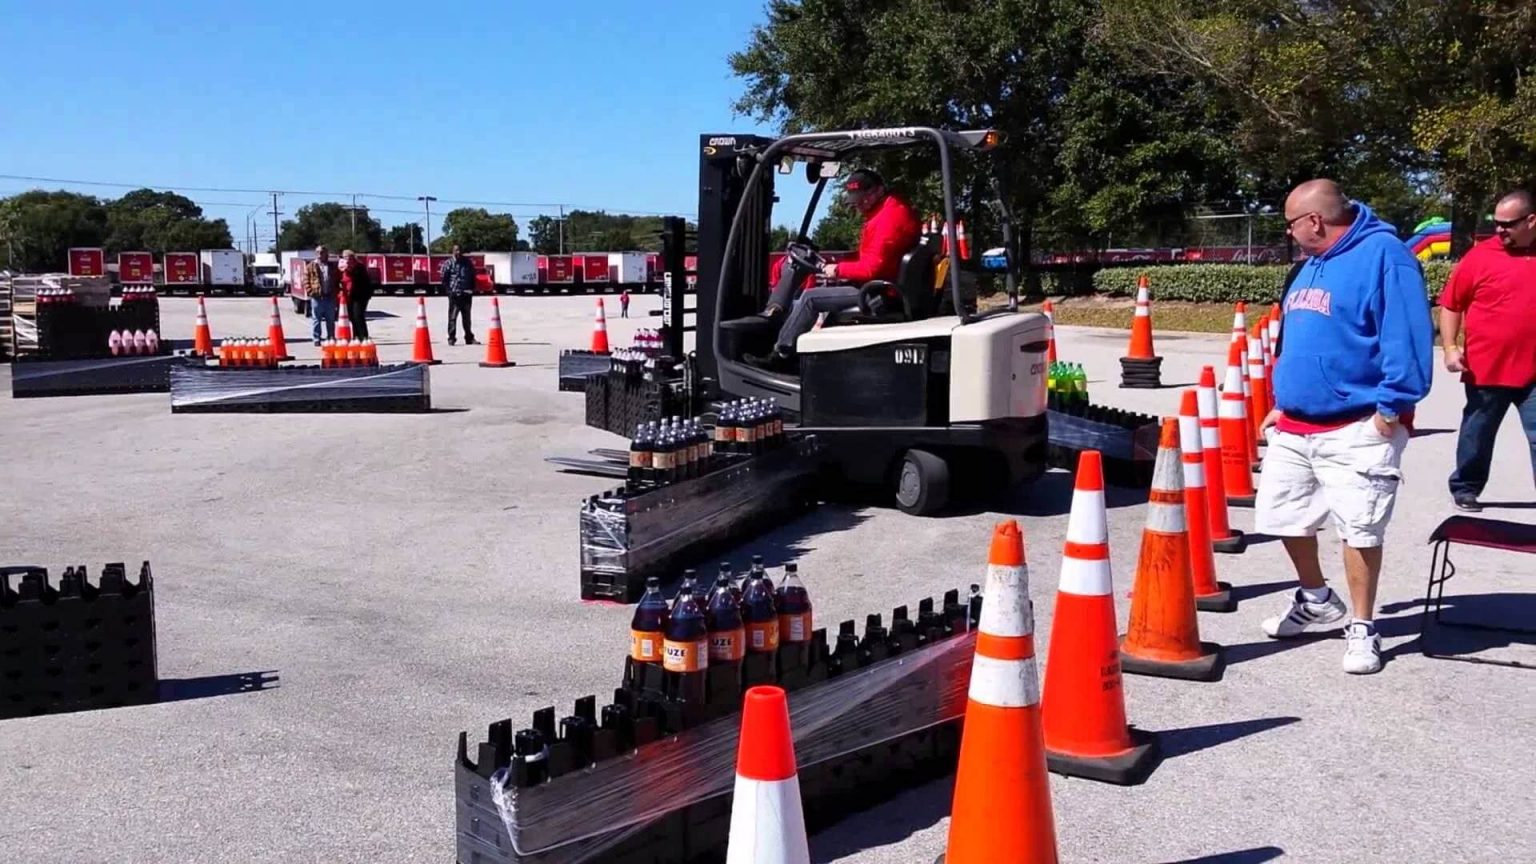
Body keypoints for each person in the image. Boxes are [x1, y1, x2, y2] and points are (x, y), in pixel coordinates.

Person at [1253, 178, 1434, 675]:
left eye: (1291, 224)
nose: (1289, 234)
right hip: (1294, 423)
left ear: (1313, 221)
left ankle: (1362, 625)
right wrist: (1280, 401)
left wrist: (1391, 410)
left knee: (1359, 528)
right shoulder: (1309, 266)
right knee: (1283, 517)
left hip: (1358, 424)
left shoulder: (1385, 256)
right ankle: (1316, 598)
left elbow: (1408, 338)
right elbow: (1296, 338)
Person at [746, 169, 921, 368]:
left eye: (863, 198)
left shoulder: (888, 219)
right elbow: (874, 257)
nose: (858, 204)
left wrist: (837, 270)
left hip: (880, 292)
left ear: (879, 191)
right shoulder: (888, 211)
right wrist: (834, 264)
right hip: (882, 284)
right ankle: (815, 357)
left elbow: (872, 268)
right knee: (826, 296)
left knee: (810, 298)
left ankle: (781, 355)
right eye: (855, 199)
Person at [304, 245, 342, 345]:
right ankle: (317, 338)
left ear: (326, 254)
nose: (320, 255)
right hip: (317, 297)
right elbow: (306, 280)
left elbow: (337, 280)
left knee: (331, 319)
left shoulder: (332, 266)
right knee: (316, 319)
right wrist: (310, 292)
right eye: (318, 253)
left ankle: (331, 337)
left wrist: (336, 292)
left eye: (322, 253)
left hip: (330, 297)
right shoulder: (311, 266)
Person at [441, 244, 477, 345]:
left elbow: (473, 276)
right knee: (452, 318)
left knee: (467, 318)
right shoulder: (448, 263)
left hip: (466, 294)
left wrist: (472, 289)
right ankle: (451, 338)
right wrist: (449, 291)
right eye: (456, 250)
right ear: (453, 251)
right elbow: (444, 279)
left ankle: (469, 338)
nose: (458, 252)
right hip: (454, 295)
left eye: (460, 250)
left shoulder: (467, 263)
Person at [339, 250, 374, 341]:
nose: (347, 260)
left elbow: (358, 279)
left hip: (360, 295)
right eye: (345, 257)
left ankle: (364, 337)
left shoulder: (359, 267)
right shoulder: (342, 267)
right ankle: (356, 336)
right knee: (352, 317)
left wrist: (348, 270)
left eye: (349, 258)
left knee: (358, 316)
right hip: (349, 295)